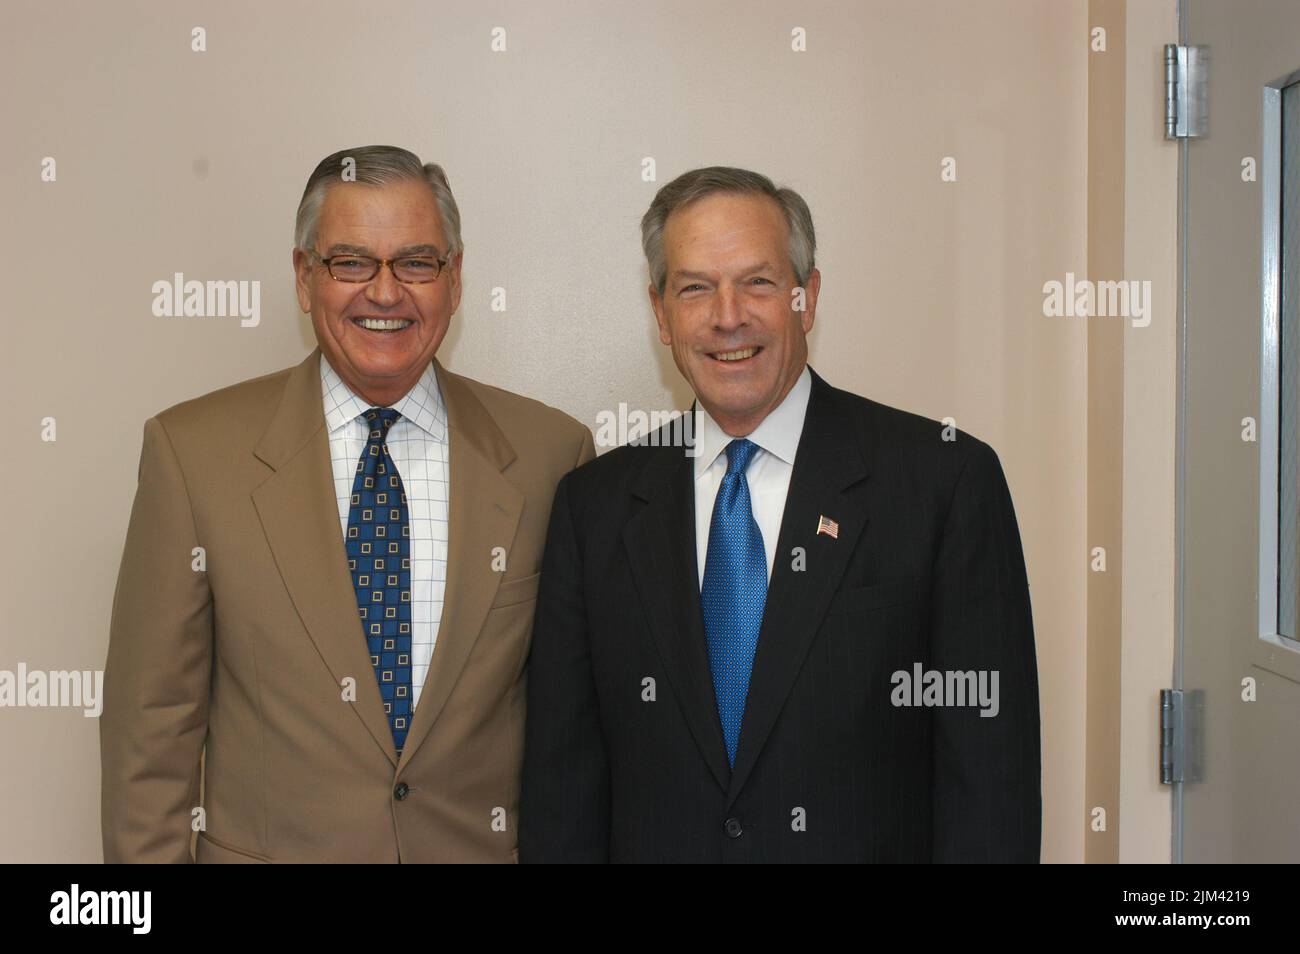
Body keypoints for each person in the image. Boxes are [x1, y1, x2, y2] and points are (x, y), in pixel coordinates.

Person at [519, 166, 1041, 862]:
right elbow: (564, 792)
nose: (727, 315)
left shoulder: (944, 484)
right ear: (661, 313)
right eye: (695, 287)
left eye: (758, 282)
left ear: (808, 296)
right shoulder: (595, 508)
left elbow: (990, 791)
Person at [101, 145, 593, 862]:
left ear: (454, 281)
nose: (385, 293)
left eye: (416, 262)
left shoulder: (553, 456)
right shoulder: (192, 457)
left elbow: (576, 740)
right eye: (352, 262)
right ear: (305, 277)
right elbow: (151, 734)